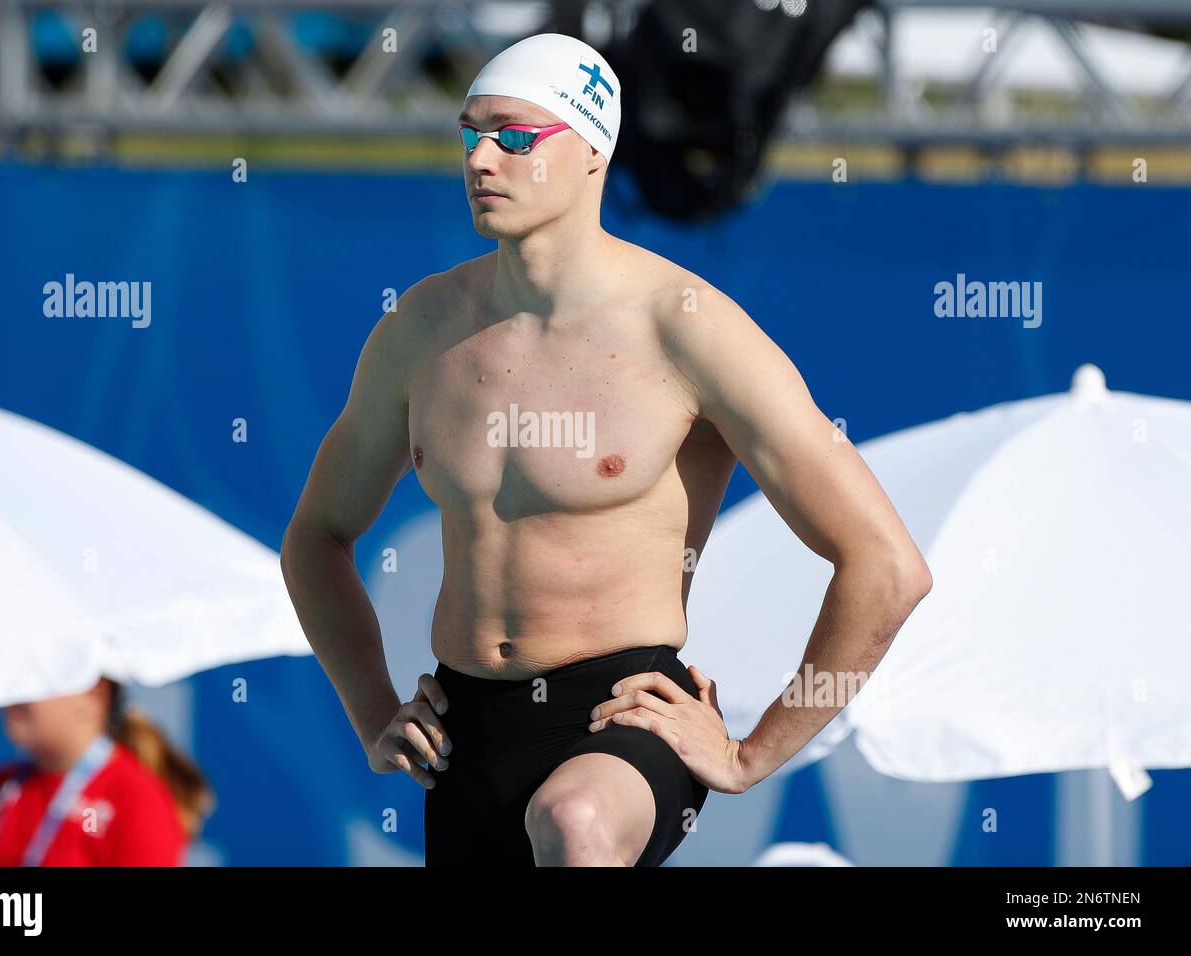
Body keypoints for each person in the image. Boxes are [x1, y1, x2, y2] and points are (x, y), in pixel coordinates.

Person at [280, 32, 932, 867]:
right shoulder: (422, 330)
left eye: (514, 137)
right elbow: (317, 536)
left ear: (593, 150)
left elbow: (886, 565)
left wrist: (752, 753)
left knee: (575, 823)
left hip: (620, 724)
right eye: (469, 133)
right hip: (463, 737)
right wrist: (372, 712)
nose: (481, 158)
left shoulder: (689, 329)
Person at [0, 677, 212, 866]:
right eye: (16, 672)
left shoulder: (137, 799)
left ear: (93, 693)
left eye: (35, 673)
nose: (15, 689)